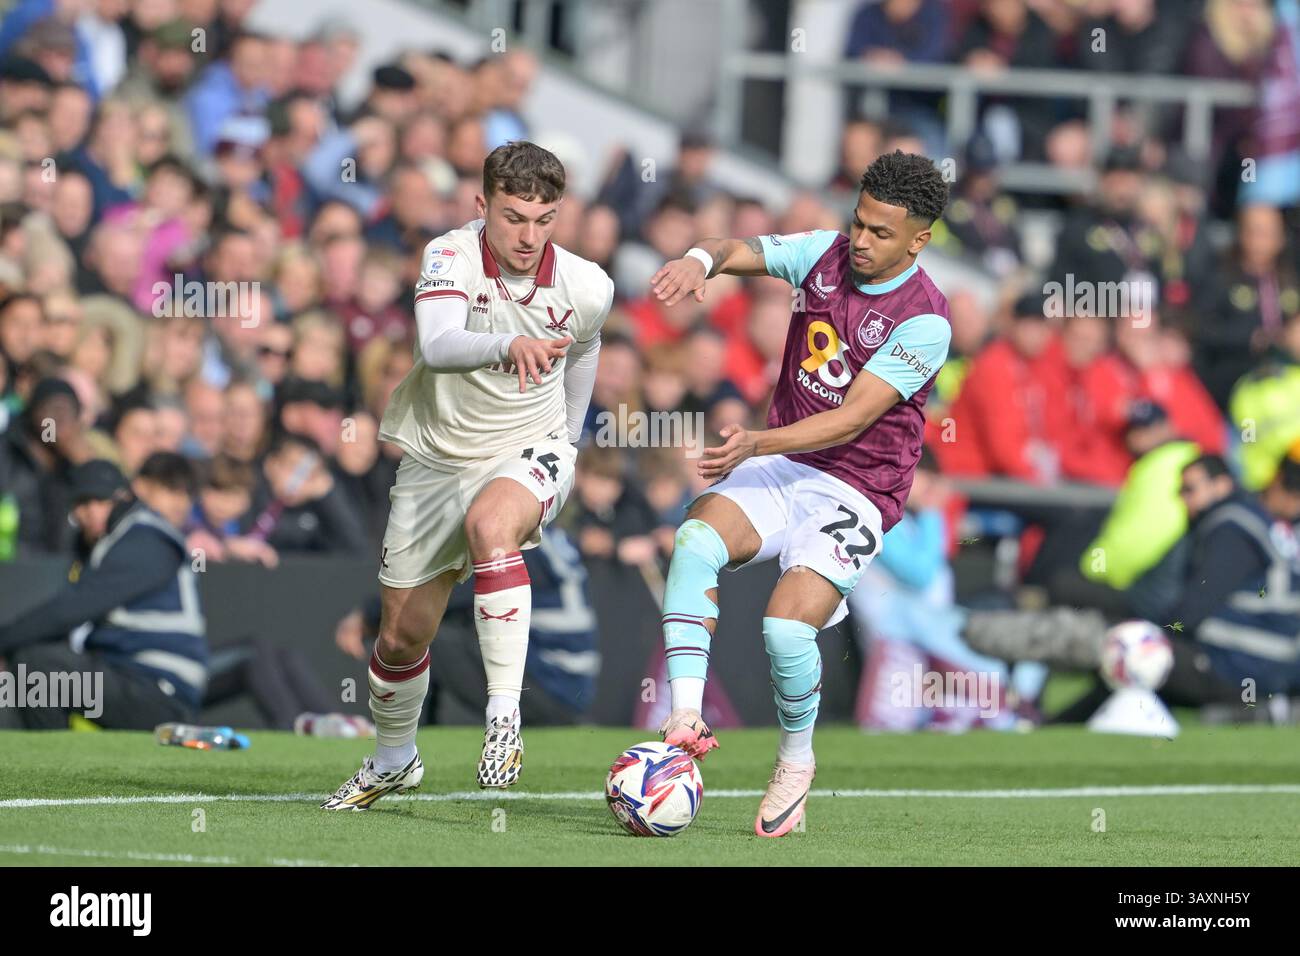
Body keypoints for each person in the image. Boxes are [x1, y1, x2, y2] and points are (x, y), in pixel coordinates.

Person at [646, 150, 950, 836]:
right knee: (695, 539)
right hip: (786, 461)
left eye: (880, 233)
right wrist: (700, 260)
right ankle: (684, 718)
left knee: (785, 629)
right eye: (859, 223)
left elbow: (851, 418)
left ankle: (795, 760)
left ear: (918, 240)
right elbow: (730, 247)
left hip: (858, 486)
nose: (861, 242)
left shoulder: (926, 320)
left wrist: (754, 441)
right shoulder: (822, 253)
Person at [322, 141, 613, 810]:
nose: (529, 236)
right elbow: (439, 345)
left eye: (545, 220)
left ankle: (503, 720)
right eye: (514, 218)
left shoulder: (587, 284)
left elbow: (585, 348)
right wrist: (509, 345)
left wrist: (567, 440)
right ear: (483, 206)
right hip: (435, 460)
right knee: (399, 638)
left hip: (527, 447)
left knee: (492, 525)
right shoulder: (448, 256)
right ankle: (395, 760)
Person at [0, 455, 208, 729]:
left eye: (100, 501)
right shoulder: (120, 538)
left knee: (35, 663)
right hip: (138, 679)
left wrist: (5, 641)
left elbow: (70, 610)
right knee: (35, 661)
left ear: (121, 498)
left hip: (160, 690)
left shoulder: (144, 538)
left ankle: (55, 763)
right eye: (82, 503)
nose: (90, 512)